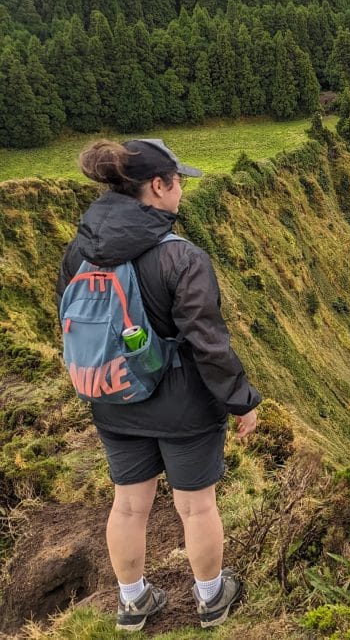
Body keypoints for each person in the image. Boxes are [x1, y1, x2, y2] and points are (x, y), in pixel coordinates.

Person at [55, 139, 261, 631]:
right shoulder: (181, 258)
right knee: (195, 505)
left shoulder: (79, 250)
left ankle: (132, 602)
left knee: (128, 504)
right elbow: (208, 343)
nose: (182, 190)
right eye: (178, 181)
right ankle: (212, 598)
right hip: (183, 407)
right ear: (157, 186)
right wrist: (242, 402)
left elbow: (70, 319)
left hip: (112, 397)